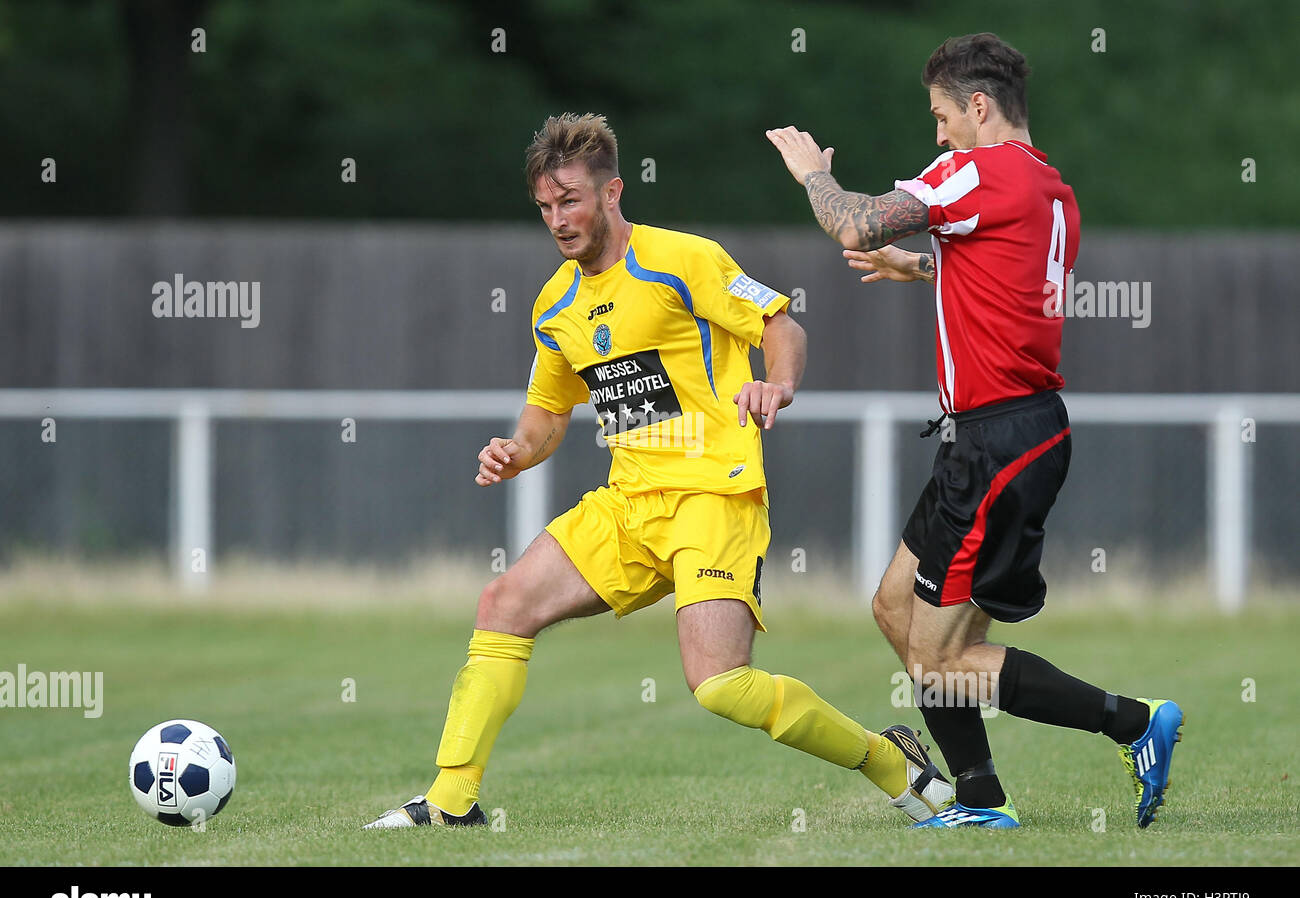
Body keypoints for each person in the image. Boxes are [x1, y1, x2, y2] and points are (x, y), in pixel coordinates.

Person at [364, 112, 953, 829]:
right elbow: (547, 411)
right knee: (503, 605)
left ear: (612, 192)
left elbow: (780, 325)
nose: (558, 218)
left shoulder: (681, 260)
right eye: (546, 206)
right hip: (628, 502)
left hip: (713, 494)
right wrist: (516, 451)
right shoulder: (555, 305)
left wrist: (780, 382)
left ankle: (890, 761)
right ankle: (452, 802)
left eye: (571, 200)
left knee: (720, 686)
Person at [766, 33, 1183, 828]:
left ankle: (1134, 722)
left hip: (998, 444)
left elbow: (857, 225)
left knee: (942, 656)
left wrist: (814, 176)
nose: (937, 134)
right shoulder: (1051, 187)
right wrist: (924, 269)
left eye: (941, 115)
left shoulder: (974, 171)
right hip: (1000, 439)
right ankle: (982, 798)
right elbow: (1005, 282)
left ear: (979, 107)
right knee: (895, 609)